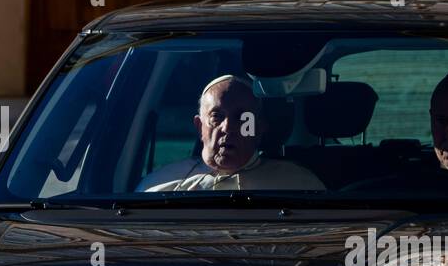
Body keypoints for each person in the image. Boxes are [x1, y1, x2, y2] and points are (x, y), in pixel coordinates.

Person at [138, 75, 324, 192]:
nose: (228, 128)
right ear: (199, 126)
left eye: (243, 118)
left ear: (258, 129)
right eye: (217, 116)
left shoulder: (299, 185)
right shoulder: (157, 187)